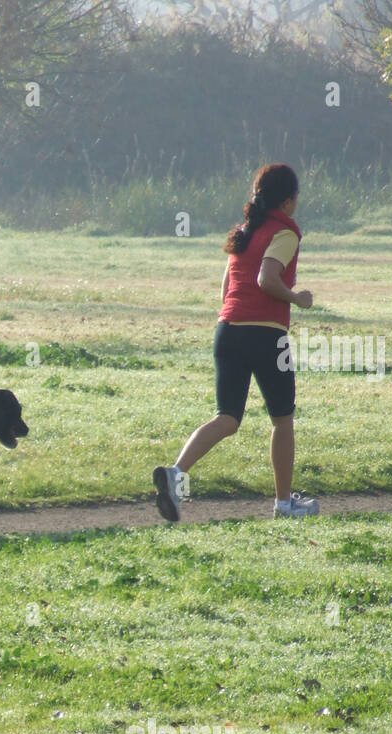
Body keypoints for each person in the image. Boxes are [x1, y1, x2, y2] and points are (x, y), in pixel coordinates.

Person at [154, 163, 318, 521]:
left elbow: (228, 288)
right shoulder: (285, 233)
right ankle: (284, 503)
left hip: (227, 330)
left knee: (227, 418)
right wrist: (296, 298)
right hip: (266, 336)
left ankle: (176, 474)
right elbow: (266, 279)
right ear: (288, 202)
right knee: (282, 418)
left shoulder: (243, 232)